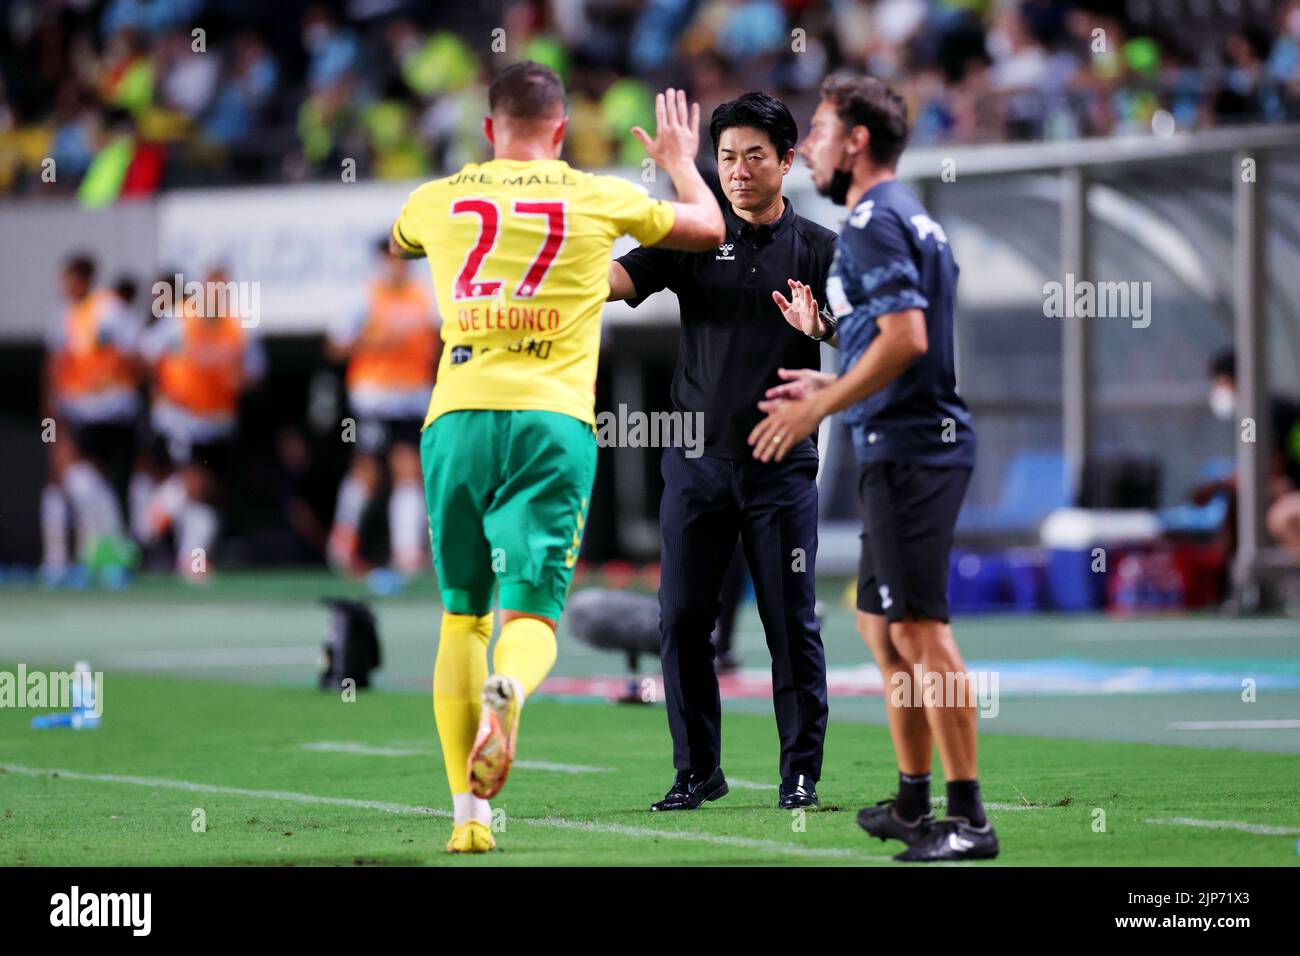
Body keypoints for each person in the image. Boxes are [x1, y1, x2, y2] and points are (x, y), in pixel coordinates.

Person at [387, 61, 724, 853]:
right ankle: (514, 691)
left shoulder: (435, 200)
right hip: (552, 420)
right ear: (562, 131)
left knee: (461, 617)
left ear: (487, 129)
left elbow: (398, 242)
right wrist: (680, 160)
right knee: (529, 612)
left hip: (458, 417)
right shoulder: (595, 193)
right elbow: (709, 230)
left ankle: (468, 822)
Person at [749, 74, 998, 861]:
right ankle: (915, 802)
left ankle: (968, 820)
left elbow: (908, 338)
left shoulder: (869, 222)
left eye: (820, 129)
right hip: (904, 440)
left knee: (922, 631)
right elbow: (892, 340)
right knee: (881, 627)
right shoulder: (908, 216)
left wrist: (819, 406)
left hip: (914, 449)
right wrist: (834, 362)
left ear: (856, 141)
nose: (809, 146)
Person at [608, 92, 836, 812]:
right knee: (679, 618)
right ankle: (697, 771)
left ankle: (799, 775)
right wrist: (557, 248)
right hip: (696, 463)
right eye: (727, 157)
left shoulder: (822, 250)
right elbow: (614, 282)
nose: (737, 171)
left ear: (788, 161)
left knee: (788, 622)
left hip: (781, 467)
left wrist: (822, 325)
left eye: (754, 156)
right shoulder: (693, 239)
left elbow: (869, 341)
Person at [139, 267, 266, 579]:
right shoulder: (182, 318)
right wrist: (159, 391)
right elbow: (145, 353)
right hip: (183, 420)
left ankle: (182, 549)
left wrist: (242, 379)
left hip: (218, 423)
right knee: (196, 483)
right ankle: (149, 531)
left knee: (209, 493)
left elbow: (256, 371)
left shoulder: (238, 325)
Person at [326, 239, 440, 578]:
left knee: (409, 471)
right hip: (374, 396)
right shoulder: (366, 296)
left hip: (411, 397)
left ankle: (406, 551)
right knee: (368, 471)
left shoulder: (423, 296)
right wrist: (370, 341)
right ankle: (342, 543)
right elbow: (335, 346)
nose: (398, 265)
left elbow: (433, 344)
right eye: (391, 258)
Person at [41, 252, 141, 584]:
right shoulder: (64, 317)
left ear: (82, 278)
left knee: (97, 480)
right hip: (79, 413)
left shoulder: (108, 309)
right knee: (74, 480)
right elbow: (55, 373)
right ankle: (81, 557)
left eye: (68, 278)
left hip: (112, 412)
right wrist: (50, 428)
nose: (64, 286)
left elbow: (136, 354)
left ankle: (110, 555)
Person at [1198, 349, 1300, 557]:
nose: (1215, 390)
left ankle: (1242, 567)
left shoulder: (1263, 411)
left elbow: (1265, 467)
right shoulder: (1253, 413)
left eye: (1218, 383)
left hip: (1292, 486)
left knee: (1265, 503)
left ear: (1231, 380)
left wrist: (1222, 484)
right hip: (1289, 484)